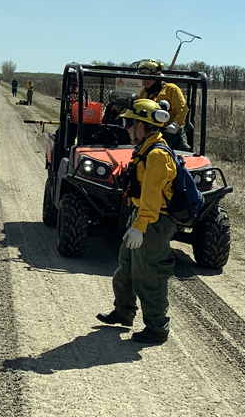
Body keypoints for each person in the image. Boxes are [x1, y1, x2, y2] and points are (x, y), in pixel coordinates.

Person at [97, 99, 176, 344]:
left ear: (143, 126)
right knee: (126, 268)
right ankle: (124, 312)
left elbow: (153, 197)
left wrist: (140, 227)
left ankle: (157, 328)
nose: (127, 128)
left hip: (153, 221)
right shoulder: (145, 150)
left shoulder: (157, 156)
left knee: (149, 275)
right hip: (141, 215)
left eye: (130, 124)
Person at [136, 59, 189, 150]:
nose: (144, 81)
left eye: (148, 78)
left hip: (170, 133)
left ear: (156, 77)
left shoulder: (171, 89)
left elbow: (182, 108)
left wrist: (175, 124)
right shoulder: (144, 92)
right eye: (142, 78)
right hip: (149, 133)